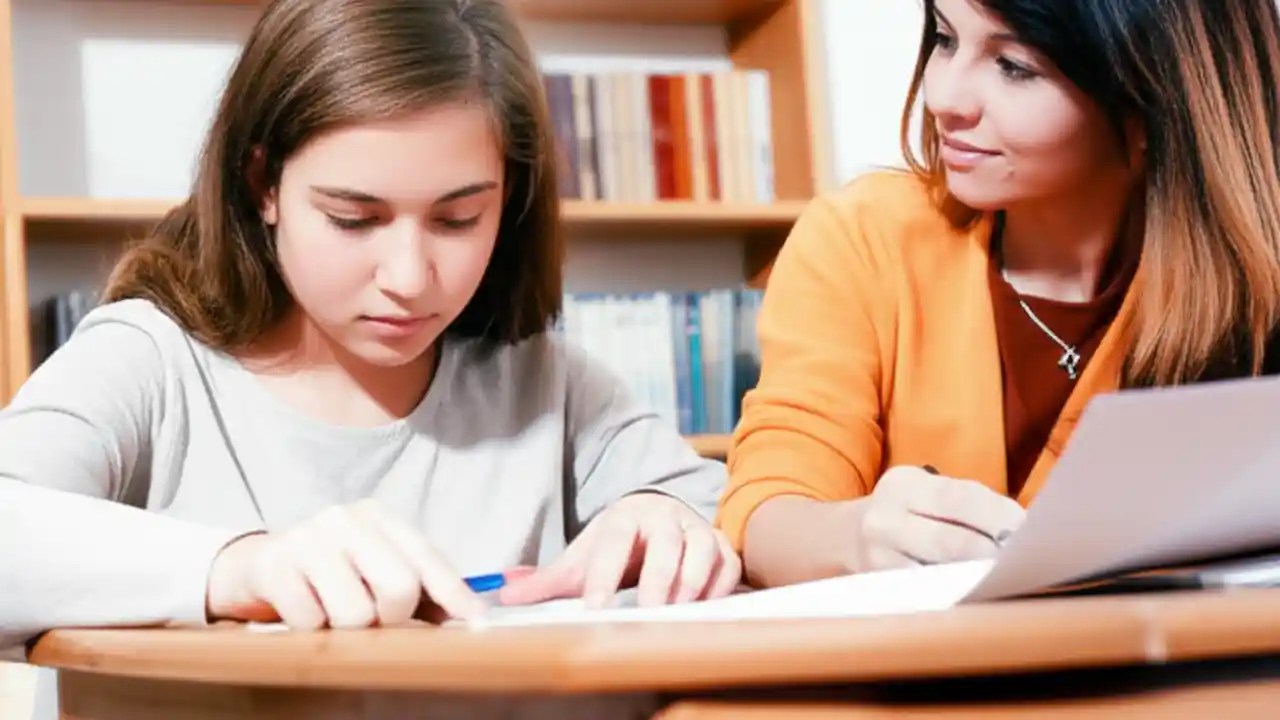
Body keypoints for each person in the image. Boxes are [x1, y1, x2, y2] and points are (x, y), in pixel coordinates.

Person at [0, 0, 740, 657]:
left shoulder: (545, 379)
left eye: (458, 218)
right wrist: (241, 567)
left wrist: (666, 517)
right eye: (355, 219)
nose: (410, 277)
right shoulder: (150, 361)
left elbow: (735, 515)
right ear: (264, 186)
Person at [720, 0, 1280, 587]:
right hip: (902, 672)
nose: (945, 98)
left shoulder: (1253, 290)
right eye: (944, 38)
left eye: (1014, 66)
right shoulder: (863, 236)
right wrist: (853, 536)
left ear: (1152, 103)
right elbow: (766, 510)